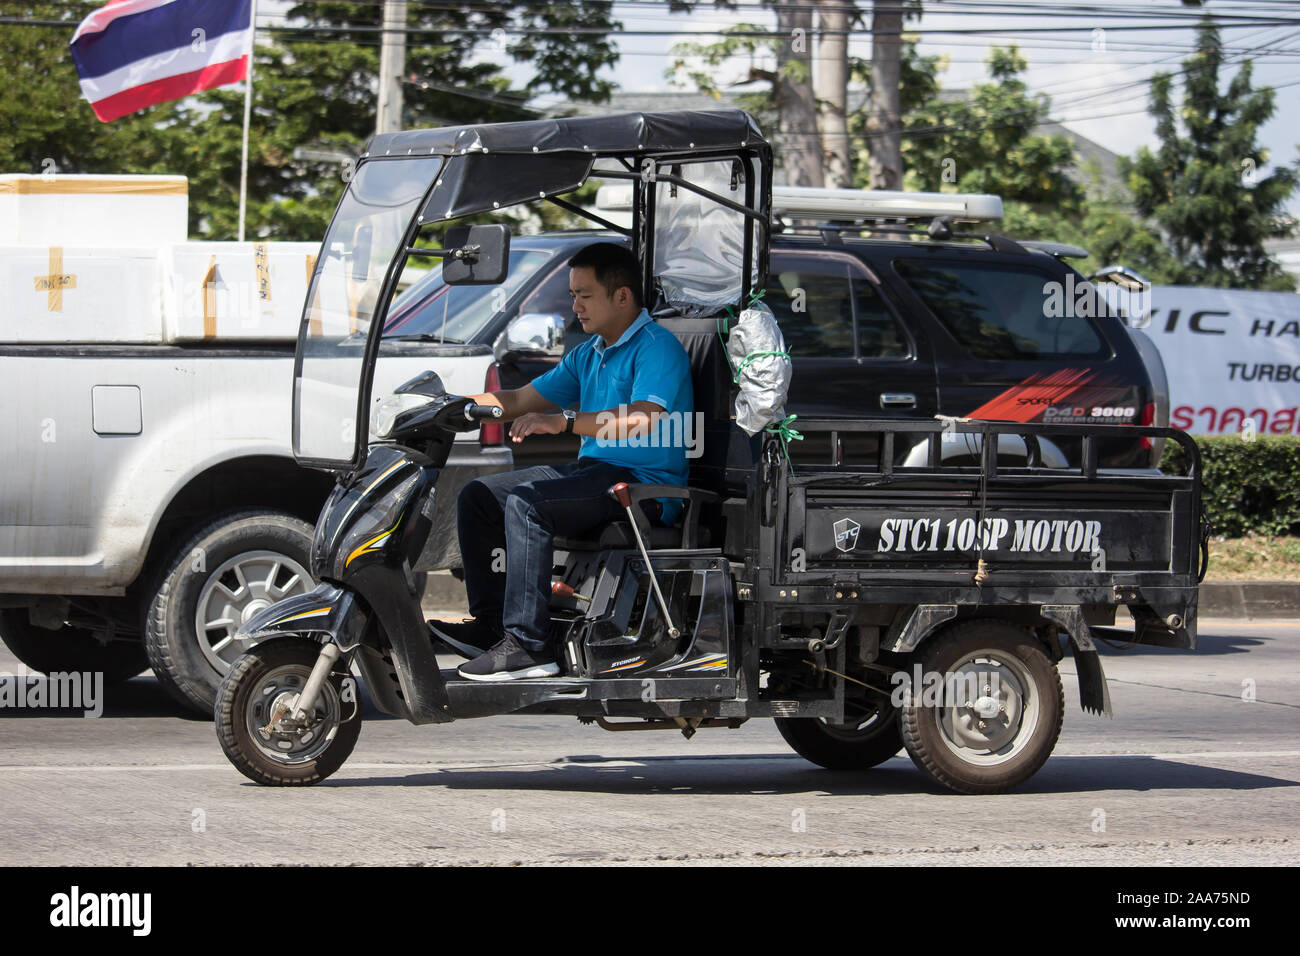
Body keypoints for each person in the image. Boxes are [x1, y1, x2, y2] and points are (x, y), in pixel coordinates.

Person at [429, 242, 693, 681]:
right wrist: (450, 407)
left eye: (584, 295)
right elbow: (516, 399)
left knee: (529, 504)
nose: (575, 306)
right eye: (573, 295)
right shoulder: (590, 353)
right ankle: (492, 626)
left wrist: (564, 422)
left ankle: (529, 646)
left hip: (642, 485)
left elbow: (644, 420)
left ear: (622, 297)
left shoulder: (656, 348)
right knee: (480, 497)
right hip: (596, 476)